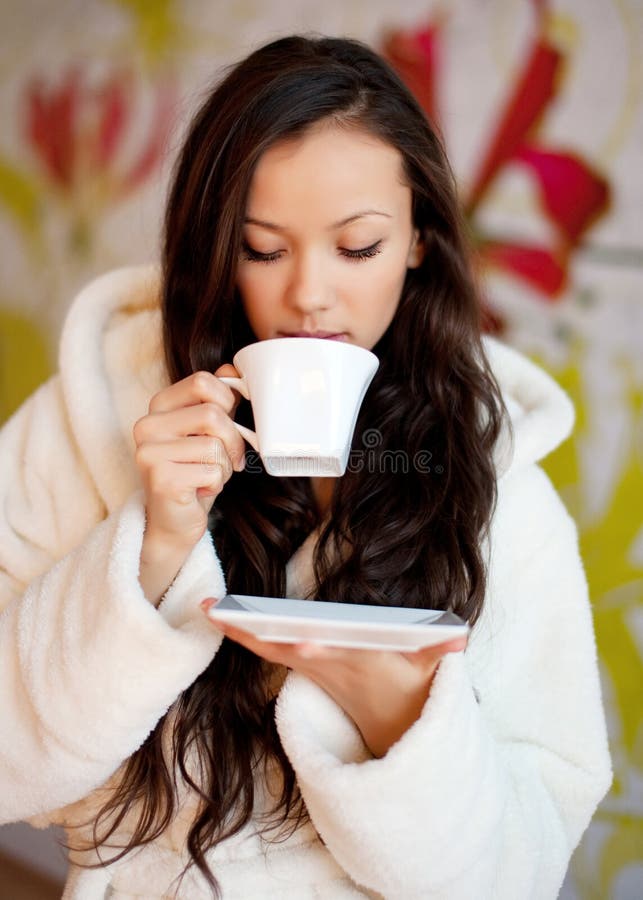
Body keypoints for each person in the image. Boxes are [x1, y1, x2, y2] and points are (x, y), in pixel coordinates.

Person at [0, 34, 611, 900]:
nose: (310, 296)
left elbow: (518, 874)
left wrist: (395, 719)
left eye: (356, 248)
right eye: (263, 248)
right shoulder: (94, 420)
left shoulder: (499, 491)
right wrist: (153, 548)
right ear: (216, 244)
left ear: (417, 243)